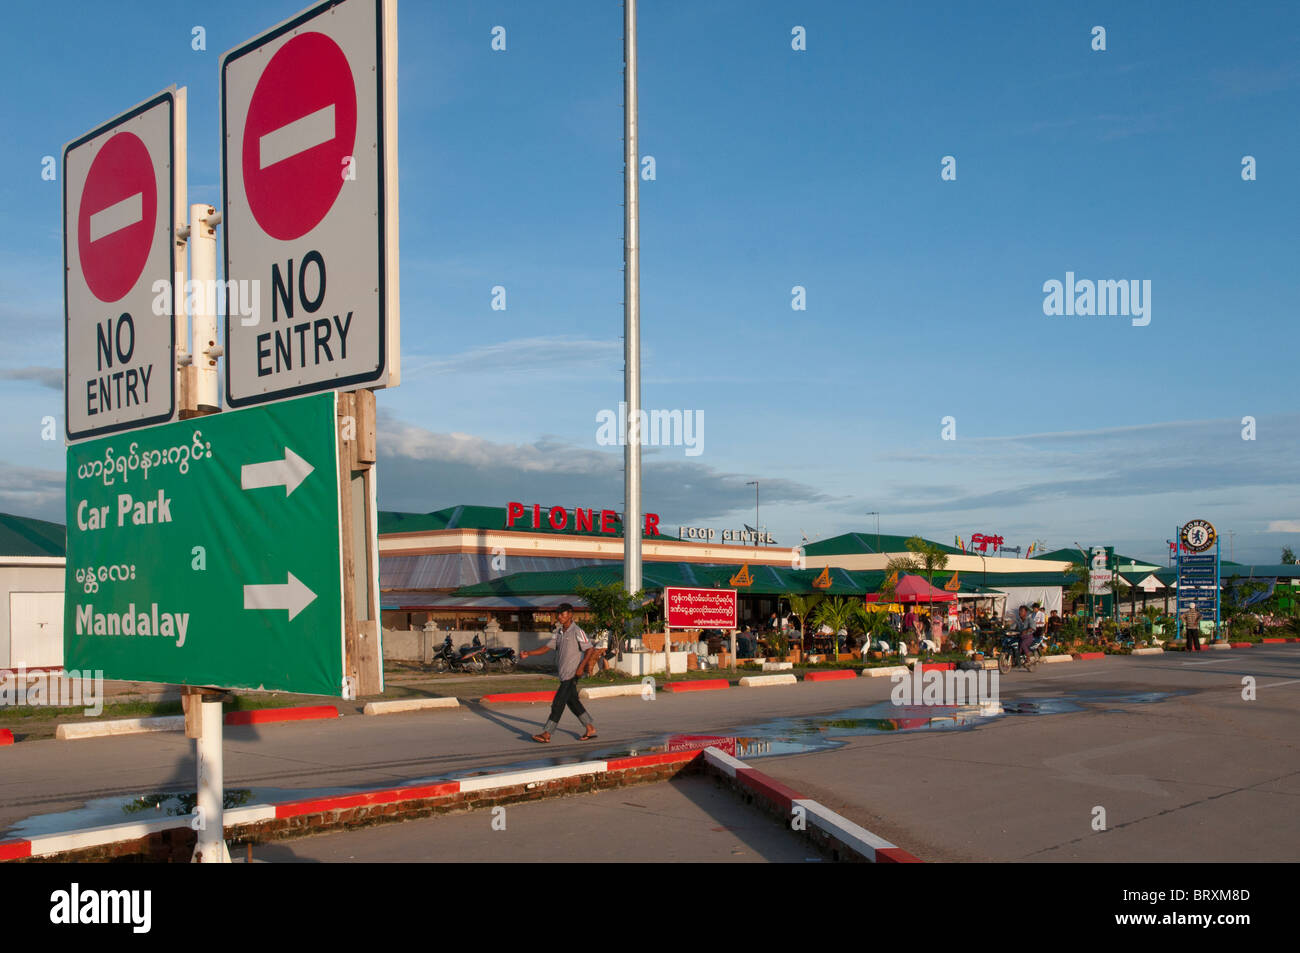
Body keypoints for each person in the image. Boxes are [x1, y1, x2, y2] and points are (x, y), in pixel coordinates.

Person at [519, 603, 601, 743]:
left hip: (573, 673)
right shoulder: (559, 632)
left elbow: (589, 649)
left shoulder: (577, 631)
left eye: (563, 614)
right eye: (559, 614)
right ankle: (590, 728)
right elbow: (546, 648)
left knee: (558, 703)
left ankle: (547, 733)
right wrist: (529, 653)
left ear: (570, 615)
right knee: (573, 702)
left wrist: (582, 667)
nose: (560, 617)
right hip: (563, 674)